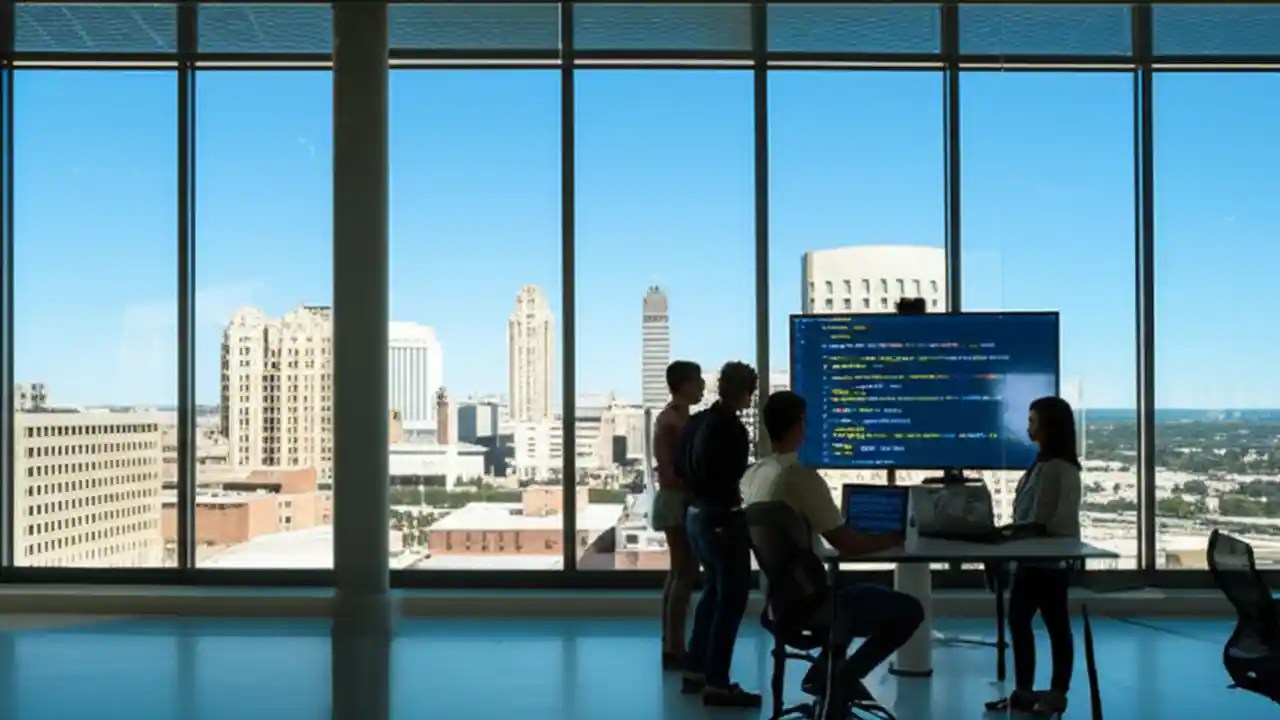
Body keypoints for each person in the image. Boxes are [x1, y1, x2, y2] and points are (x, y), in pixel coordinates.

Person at [742, 391, 923, 719]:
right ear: (800, 425)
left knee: (850, 597)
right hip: (813, 602)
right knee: (909, 610)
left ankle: (825, 677)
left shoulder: (754, 474)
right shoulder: (799, 477)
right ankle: (838, 680)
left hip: (778, 602)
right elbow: (848, 544)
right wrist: (892, 538)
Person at [986, 396, 1083, 716]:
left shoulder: (1060, 468)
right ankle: (1025, 692)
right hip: (1031, 559)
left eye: (1033, 421)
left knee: (1053, 626)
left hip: (1046, 562)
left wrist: (1019, 533)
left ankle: (1054, 693)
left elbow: (1055, 520)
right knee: (1024, 624)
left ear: (1048, 426)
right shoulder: (1043, 463)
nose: (1028, 428)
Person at [678, 361, 760, 707]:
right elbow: (733, 475)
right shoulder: (733, 430)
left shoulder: (697, 422)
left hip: (696, 515)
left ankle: (696, 669)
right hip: (722, 519)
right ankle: (718, 682)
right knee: (732, 599)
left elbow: (682, 464)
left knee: (712, 591)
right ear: (746, 394)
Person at [651, 360, 705, 670]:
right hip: (677, 502)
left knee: (679, 573)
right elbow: (670, 474)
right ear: (683, 384)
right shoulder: (673, 421)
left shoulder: (676, 418)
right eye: (697, 381)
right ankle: (674, 647)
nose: (702, 386)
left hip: (676, 501)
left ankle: (671, 642)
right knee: (684, 574)